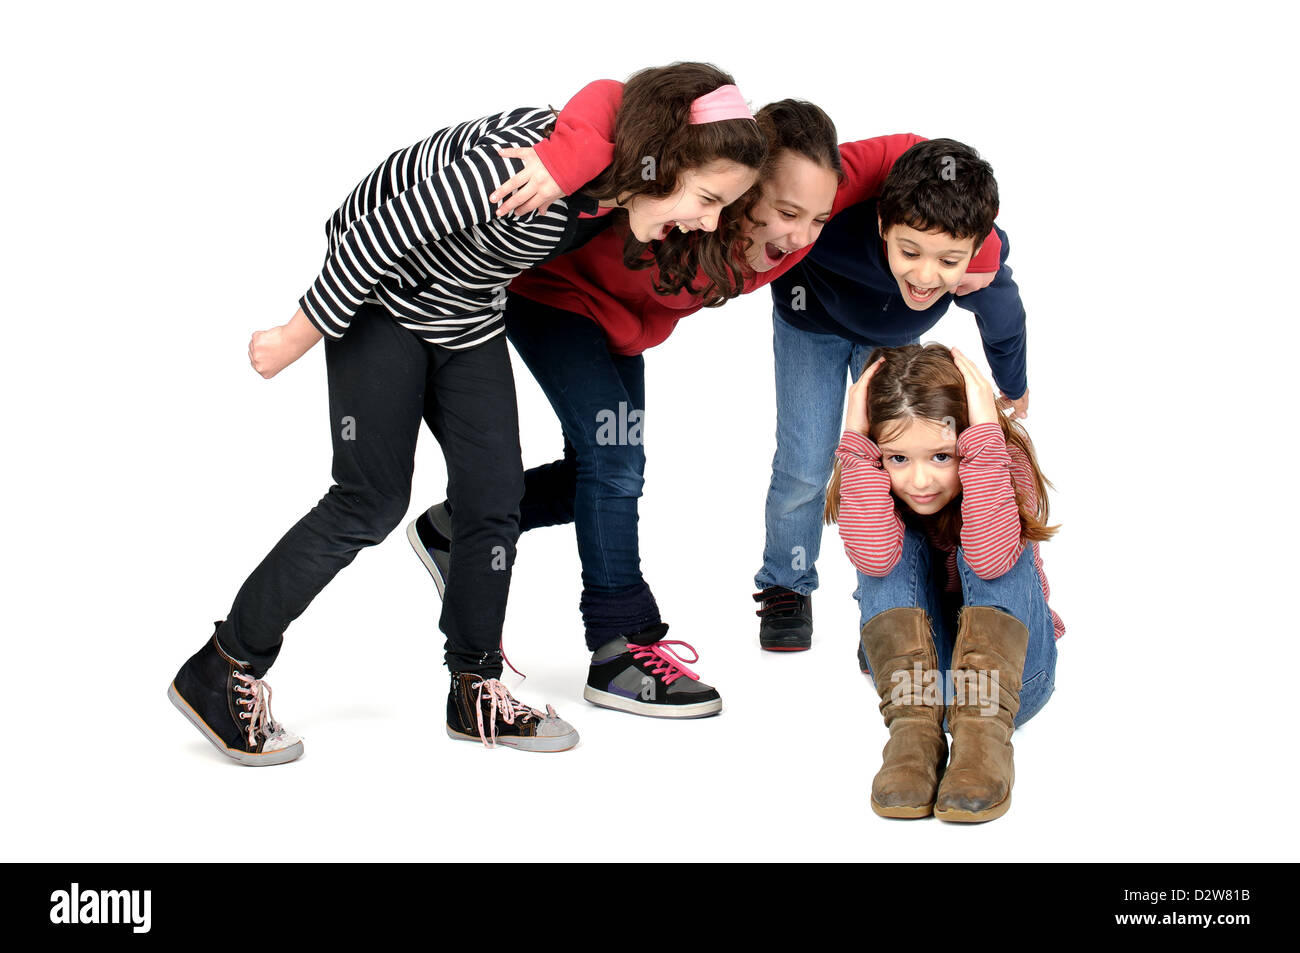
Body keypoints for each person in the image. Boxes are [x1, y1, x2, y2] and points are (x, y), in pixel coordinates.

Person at [167, 63, 765, 764]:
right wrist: (296, 335)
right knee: (370, 501)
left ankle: (474, 687)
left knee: (495, 496)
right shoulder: (523, 168)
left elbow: (610, 99)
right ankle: (224, 664)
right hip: (382, 305)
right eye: (707, 197)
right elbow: (374, 233)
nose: (710, 218)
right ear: (664, 157)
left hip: (469, 312)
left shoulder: (602, 181)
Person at [408, 93, 1003, 714]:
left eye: (819, 220)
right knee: (614, 465)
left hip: (620, 328)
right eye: (785, 212)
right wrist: (561, 163)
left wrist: (983, 253)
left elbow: (922, 165)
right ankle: (618, 647)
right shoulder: (694, 196)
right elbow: (615, 98)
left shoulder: (808, 193)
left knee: (605, 470)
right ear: (740, 187)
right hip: (558, 301)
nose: (799, 237)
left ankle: (456, 527)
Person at [753, 138, 1030, 653]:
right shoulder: (831, 220)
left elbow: (1005, 324)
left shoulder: (976, 270)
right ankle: (786, 585)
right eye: (909, 253)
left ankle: (891, 607)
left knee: (899, 461)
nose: (926, 275)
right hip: (808, 322)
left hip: (892, 336)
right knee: (805, 462)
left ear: (971, 252)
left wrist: (1013, 384)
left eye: (948, 260)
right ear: (883, 225)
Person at [826, 343, 1062, 821]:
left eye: (941, 456)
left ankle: (980, 738)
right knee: (884, 548)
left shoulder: (1002, 463)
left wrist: (983, 445)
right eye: (896, 458)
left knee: (992, 543)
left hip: (1008, 686)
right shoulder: (870, 473)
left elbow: (994, 560)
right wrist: (854, 442)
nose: (919, 480)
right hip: (918, 692)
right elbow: (873, 555)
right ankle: (913, 738)